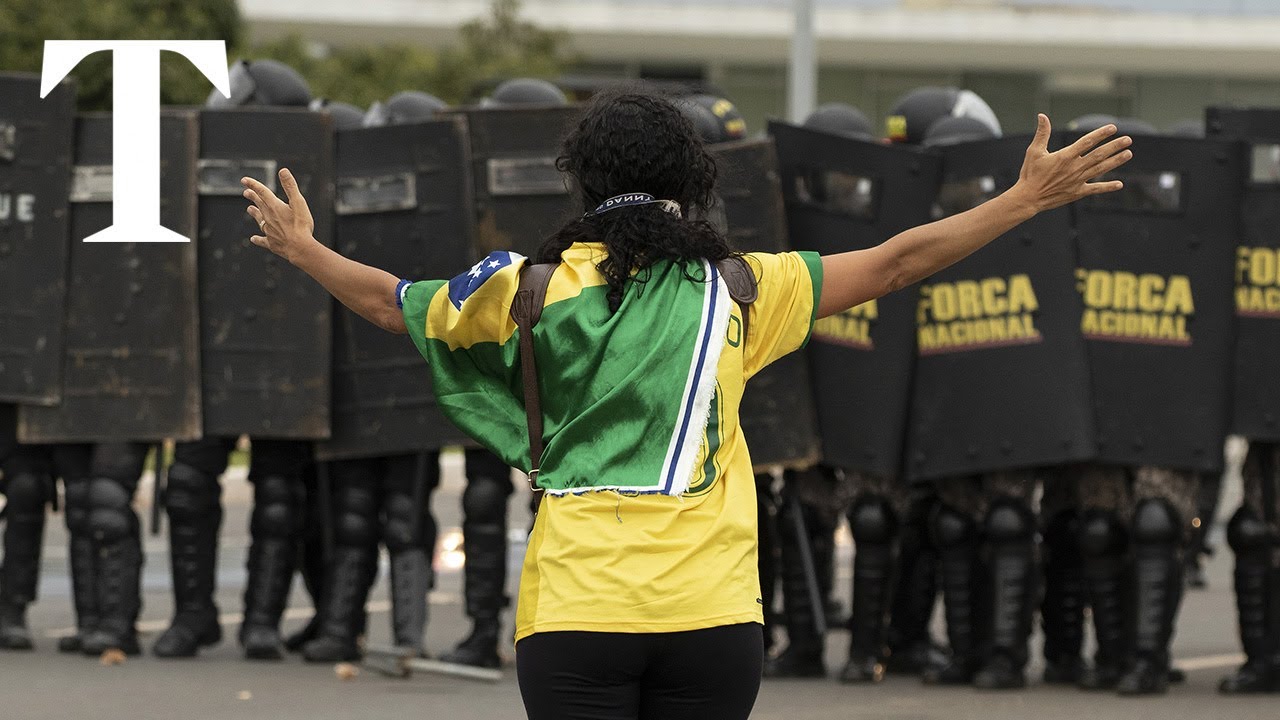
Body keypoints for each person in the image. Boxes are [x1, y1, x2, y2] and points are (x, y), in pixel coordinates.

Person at [241, 89, 1130, 719]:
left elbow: (387, 302)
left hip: (576, 612)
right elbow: (898, 261)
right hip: (714, 616)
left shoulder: (525, 288)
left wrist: (305, 248)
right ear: (692, 181)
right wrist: (1022, 199)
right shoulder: (742, 289)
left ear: (583, 184)